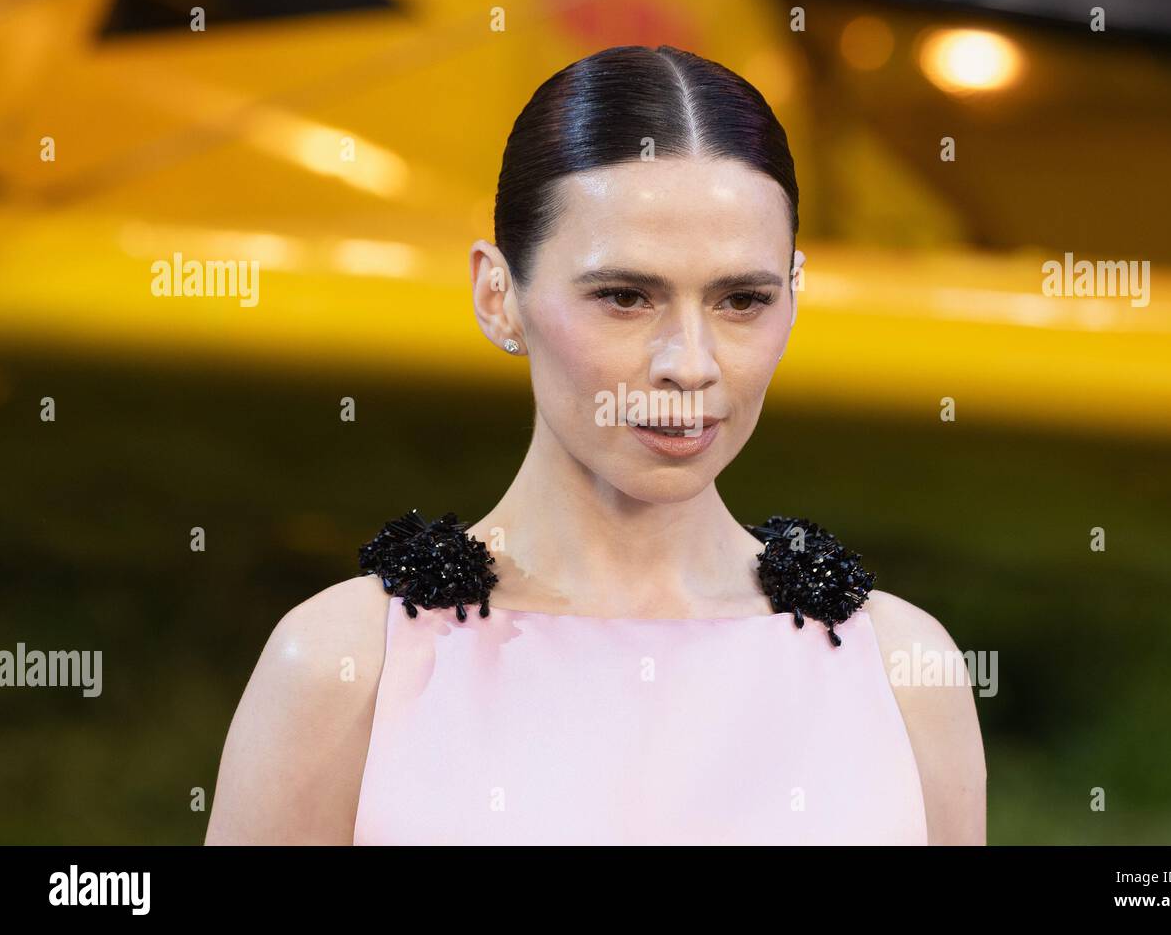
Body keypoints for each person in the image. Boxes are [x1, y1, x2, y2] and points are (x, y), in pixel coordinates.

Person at [205, 44, 986, 845]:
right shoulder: (342, 666)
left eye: (743, 300)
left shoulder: (903, 671)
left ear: (795, 294)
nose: (690, 363)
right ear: (497, 296)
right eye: (624, 296)